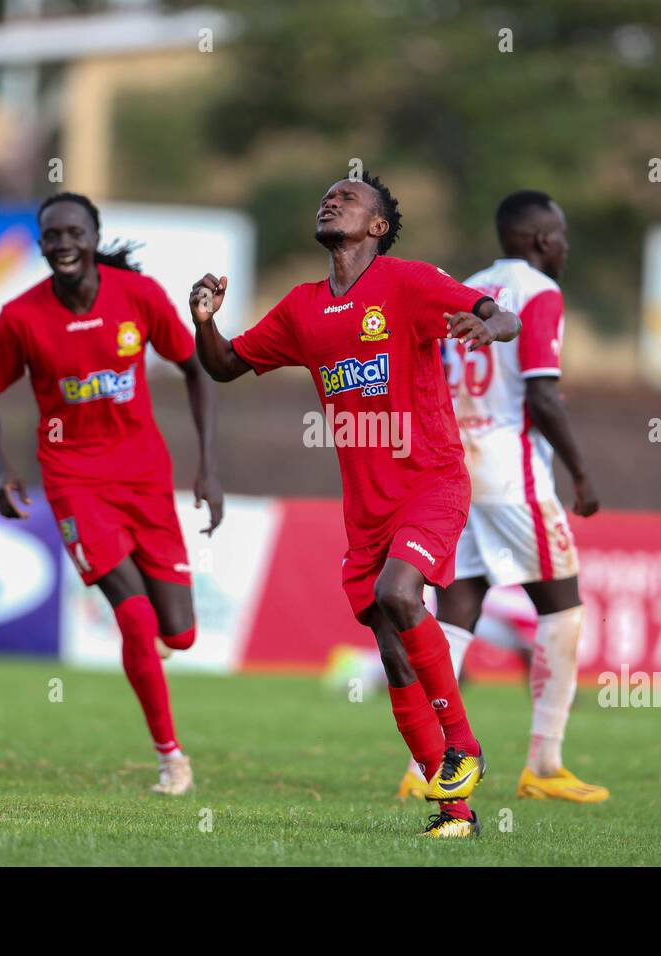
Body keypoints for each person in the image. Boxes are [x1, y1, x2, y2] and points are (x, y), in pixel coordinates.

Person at [189, 171, 521, 837]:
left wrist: (492, 329)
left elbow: (500, 315)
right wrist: (203, 321)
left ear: (376, 227)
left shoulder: (409, 282)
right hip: (365, 507)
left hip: (430, 480)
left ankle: (465, 746)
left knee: (403, 596)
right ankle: (453, 813)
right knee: (394, 653)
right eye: (328, 194)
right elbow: (224, 365)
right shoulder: (302, 307)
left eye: (350, 196)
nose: (332, 198)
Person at [0, 192, 223, 797]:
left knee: (180, 633)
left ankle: (156, 648)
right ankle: (171, 759)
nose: (61, 243)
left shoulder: (139, 297)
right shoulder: (20, 317)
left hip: (145, 479)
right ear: (40, 243)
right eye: (50, 234)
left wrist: (209, 466)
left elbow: (197, 371)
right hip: (73, 481)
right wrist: (3, 469)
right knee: (134, 618)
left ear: (94, 236)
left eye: (73, 232)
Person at [395, 189, 608, 804]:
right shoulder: (540, 293)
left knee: (459, 611)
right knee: (563, 609)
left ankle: (424, 766)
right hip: (511, 474)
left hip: (456, 468)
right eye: (561, 236)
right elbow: (541, 394)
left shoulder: (466, 285)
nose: (565, 247)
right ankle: (544, 763)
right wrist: (582, 475)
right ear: (543, 239)